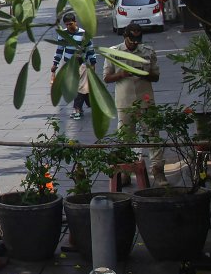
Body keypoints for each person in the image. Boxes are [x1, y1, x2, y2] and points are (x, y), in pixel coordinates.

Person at [103, 23, 165, 185]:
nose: (134, 43)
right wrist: (121, 74)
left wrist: (144, 74)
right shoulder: (114, 52)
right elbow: (106, 78)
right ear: (125, 37)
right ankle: (125, 172)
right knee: (125, 139)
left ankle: (158, 171)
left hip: (145, 101)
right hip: (124, 102)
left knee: (153, 136)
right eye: (131, 40)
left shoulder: (148, 52)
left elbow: (156, 77)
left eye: (137, 39)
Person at [50, 11, 97, 119]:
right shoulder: (63, 34)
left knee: (80, 86)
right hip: (69, 65)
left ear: (75, 22)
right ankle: (91, 104)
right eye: (66, 24)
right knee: (78, 87)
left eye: (70, 24)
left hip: (82, 64)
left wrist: (93, 63)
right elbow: (59, 49)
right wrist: (55, 64)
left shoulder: (84, 34)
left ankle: (77, 109)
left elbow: (90, 49)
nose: (69, 26)